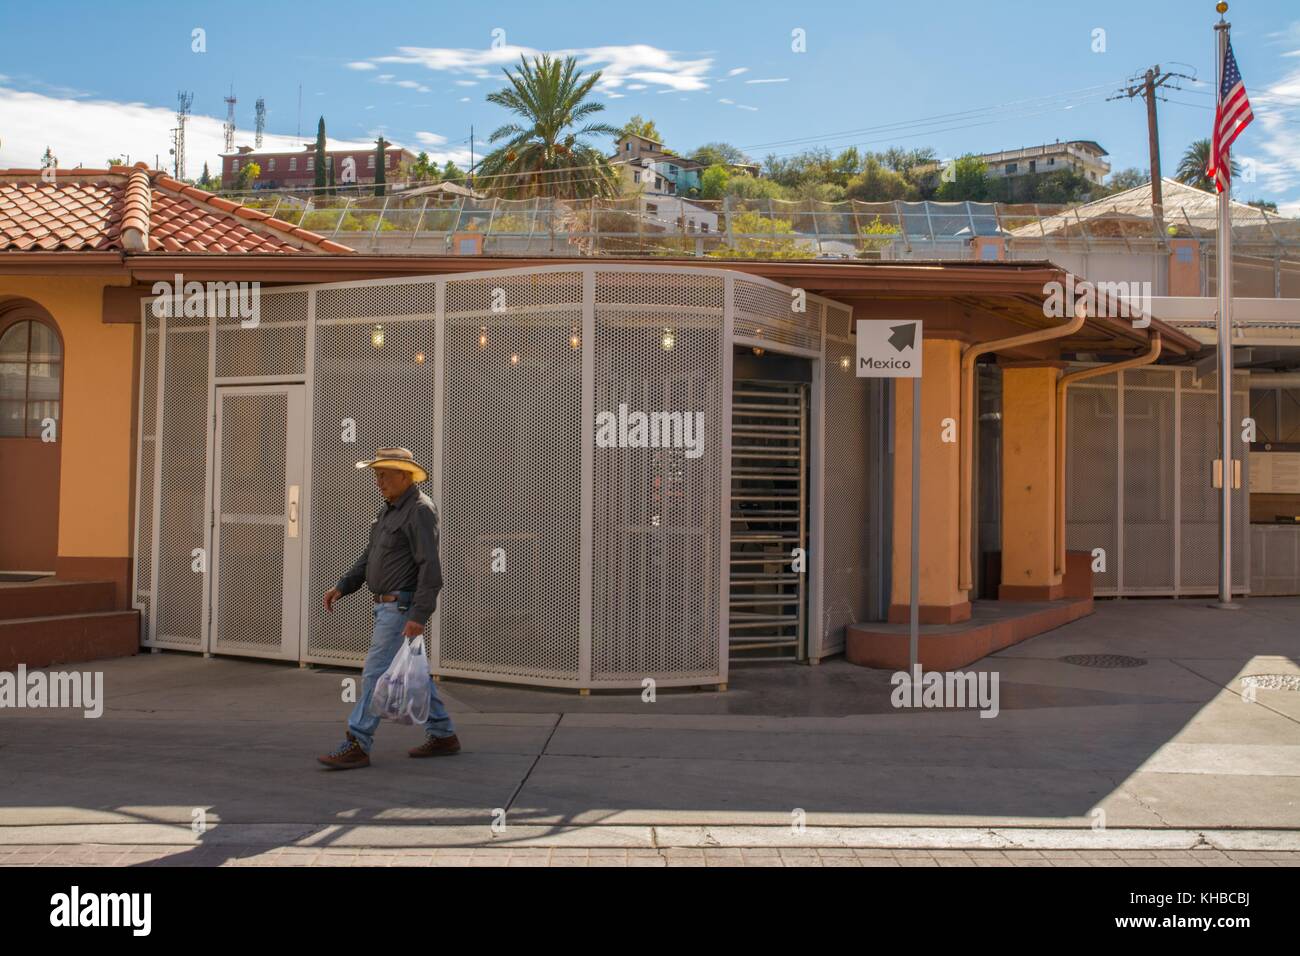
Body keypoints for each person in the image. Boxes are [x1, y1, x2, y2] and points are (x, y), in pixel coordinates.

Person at [317, 447, 460, 769]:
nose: (378, 481)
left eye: (384, 475)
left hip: (400, 609)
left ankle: (357, 742)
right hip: (386, 608)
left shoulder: (420, 511)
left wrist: (419, 616)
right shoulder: (387, 512)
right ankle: (443, 735)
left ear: (405, 476)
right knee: (415, 677)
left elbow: (430, 569)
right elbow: (369, 556)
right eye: (376, 475)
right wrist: (344, 585)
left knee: (375, 675)